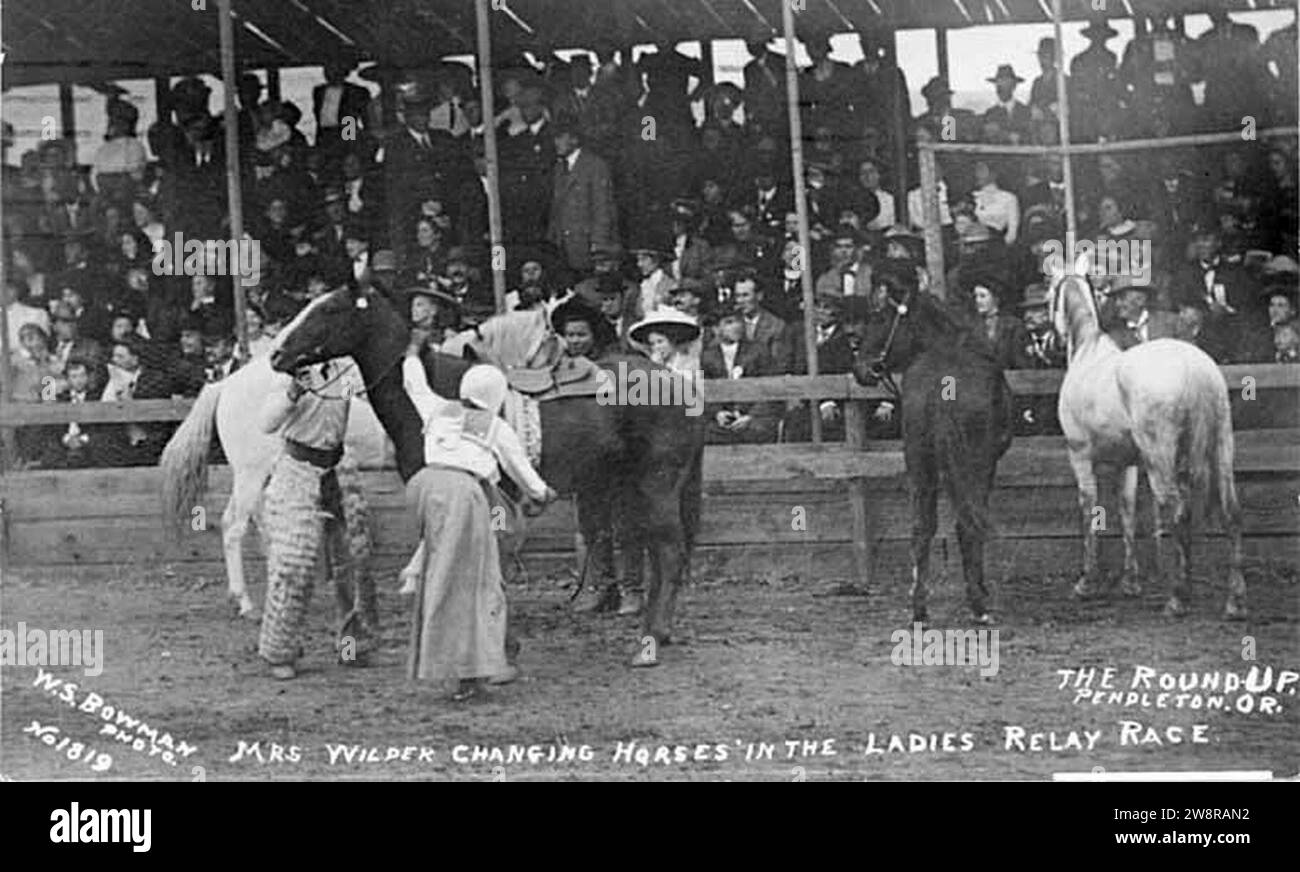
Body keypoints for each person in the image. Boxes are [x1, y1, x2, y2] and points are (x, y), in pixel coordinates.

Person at [401, 336, 555, 700]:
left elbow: (414, 384)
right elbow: (524, 474)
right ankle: (470, 672)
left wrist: (411, 354)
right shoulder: (495, 426)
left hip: (424, 487)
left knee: (440, 575)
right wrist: (543, 494)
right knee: (477, 581)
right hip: (463, 494)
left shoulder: (439, 408)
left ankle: (443, 661)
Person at [256, 353, 375, 680]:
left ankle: (352, 645)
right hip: (297, 469)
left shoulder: (347, 369)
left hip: (338, 466)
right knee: (293, 563)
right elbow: (266, 423)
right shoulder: (287, 375)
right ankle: (280, 651)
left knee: (354, 559)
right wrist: (292, 393)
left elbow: (353, 403)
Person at [547, 123, 618, 274]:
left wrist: (599, 245)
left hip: (586, 246)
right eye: (555, 138)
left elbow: (603, 208)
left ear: (574, 139)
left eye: (560, 137)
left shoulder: (595, 165)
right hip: (565, 248)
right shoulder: (559, 168)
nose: (556, 143)